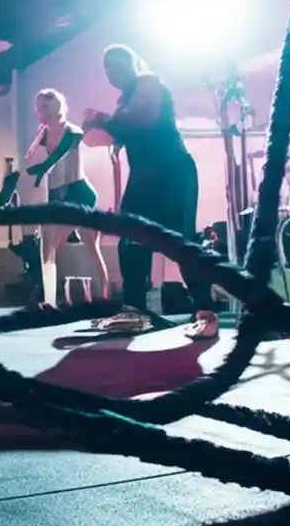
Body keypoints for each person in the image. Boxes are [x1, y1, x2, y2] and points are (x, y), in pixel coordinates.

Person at [81, 45, 217, 338]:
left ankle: (206, 313)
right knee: (130, 241)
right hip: (144, 177)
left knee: (180, 244)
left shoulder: (149, 85)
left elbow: (141, 120)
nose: (112, 72)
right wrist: (89, 127)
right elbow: (101, 138)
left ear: (133, 65)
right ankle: (134, 311)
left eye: (117, 65)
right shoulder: (124, 101)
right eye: (107, 68)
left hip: (172, 173)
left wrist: (101, 119)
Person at [21, 89, 108, 309]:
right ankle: (48, 298)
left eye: (44, 108)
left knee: (73, 246)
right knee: (50, 246)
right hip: (60, 193)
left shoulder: (72, 131)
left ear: (55, 108)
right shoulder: (44, 132)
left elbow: (60, 153)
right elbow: (31, 156)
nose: (40, 113)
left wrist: (42, 167)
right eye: (38, 108)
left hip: (79, 193)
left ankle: (104, 295)